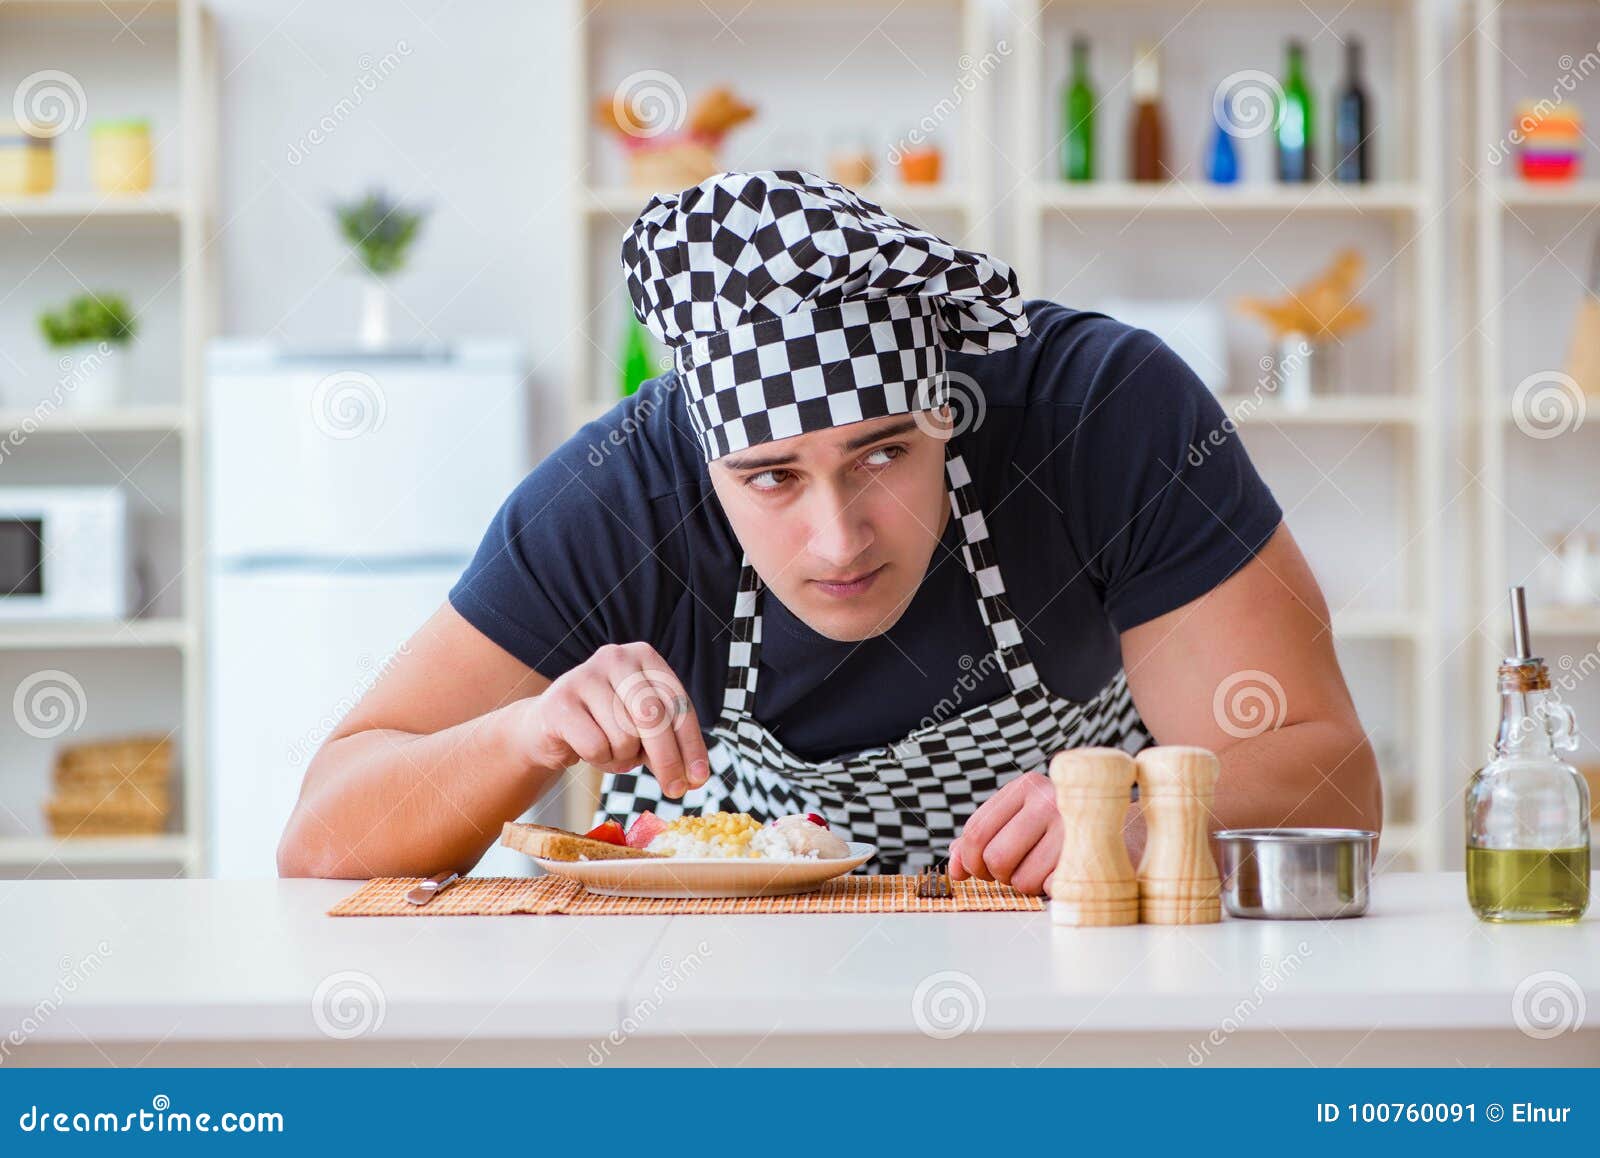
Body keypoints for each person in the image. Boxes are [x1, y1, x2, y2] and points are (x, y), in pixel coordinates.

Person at [277, 170, 1381, 892]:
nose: (839, 538)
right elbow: (322, 838)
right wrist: (523, 734)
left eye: (884, 456)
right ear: (702, 457)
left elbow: (1331, 780)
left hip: (1074, 982)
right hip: (720, 1011)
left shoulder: (1102, 415)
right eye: (770, 479)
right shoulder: (621, 497)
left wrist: (1132, 820)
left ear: (947, 407)